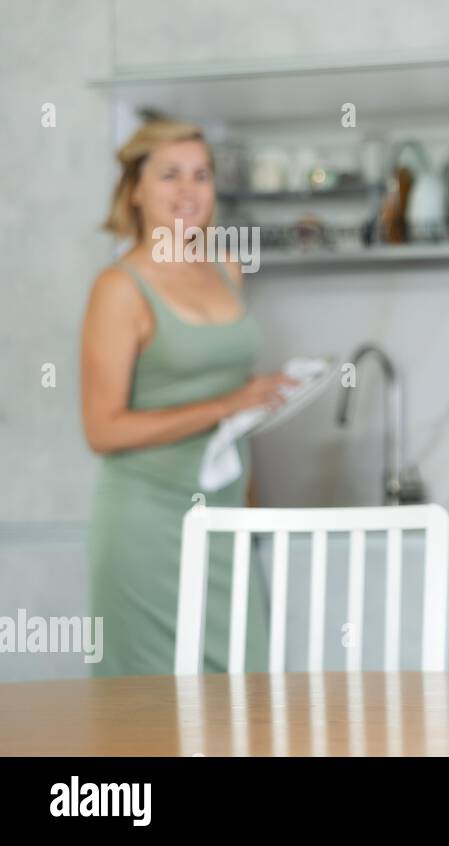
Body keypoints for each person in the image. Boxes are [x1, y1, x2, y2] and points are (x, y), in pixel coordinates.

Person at [81, 119, 295, 676]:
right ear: (135, 189)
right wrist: (229, 404)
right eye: (169, 174)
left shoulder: (225, 269)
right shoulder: (119, 287)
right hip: (148, 524)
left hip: (225, 515)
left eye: (200, 175)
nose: (188, 191)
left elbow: (232, 398)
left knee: (247, 693)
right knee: (149, 709)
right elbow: (103, 429)